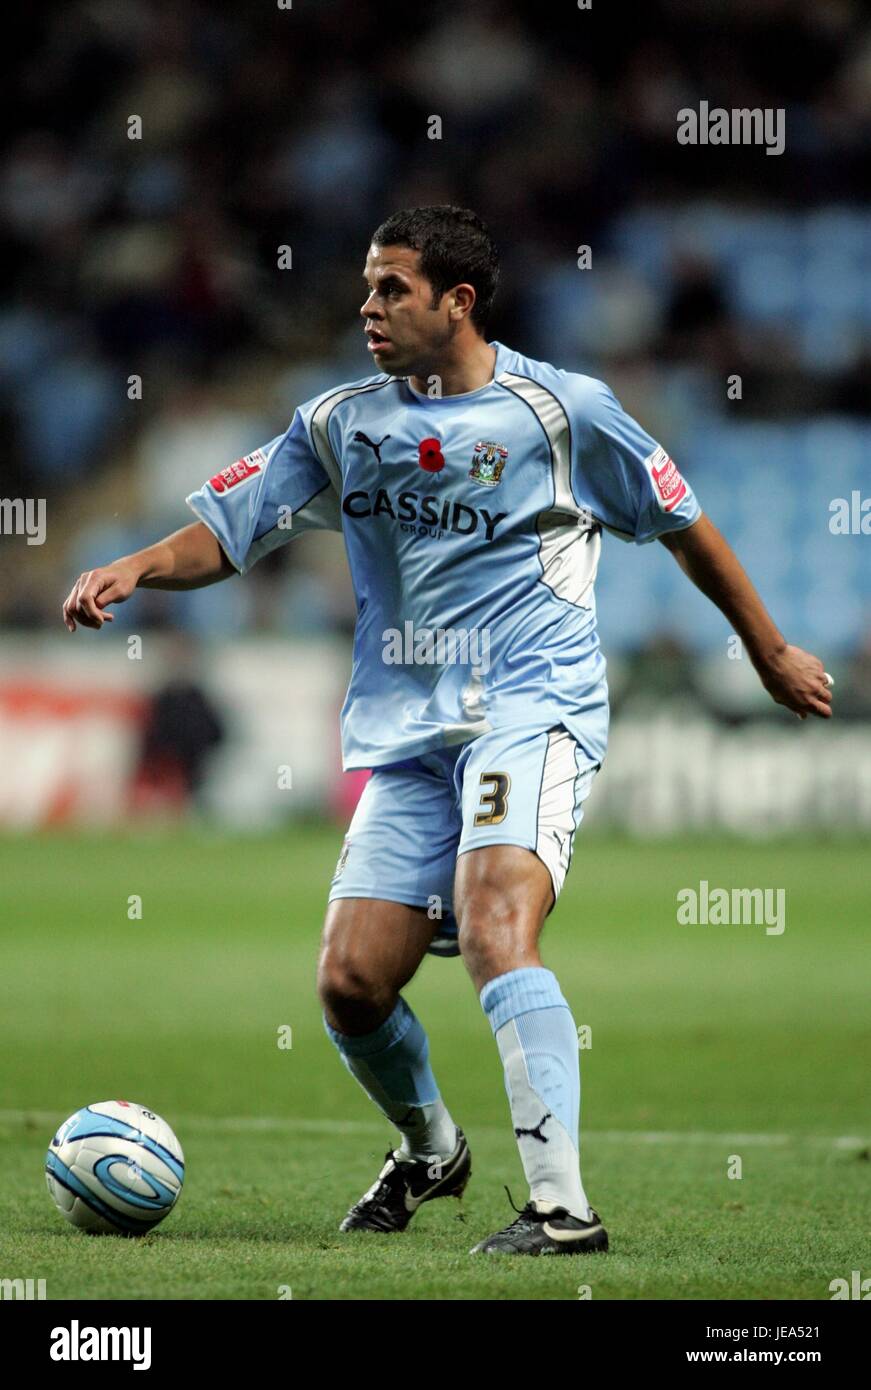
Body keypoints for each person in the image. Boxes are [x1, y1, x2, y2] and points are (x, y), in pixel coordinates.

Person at [63, 205, 833, 1256]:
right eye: (366, 287)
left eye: (391, 288)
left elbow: (683, 521)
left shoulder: (567, 413)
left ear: (456, 301)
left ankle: (563, 1207)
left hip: (534, 704)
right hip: (409, 735)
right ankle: (430, 1147)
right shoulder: (339, 422)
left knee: (492, 925)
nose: (366, 308)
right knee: (348, 981)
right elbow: (231, 532)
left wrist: (767, 648)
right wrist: (138, 567)